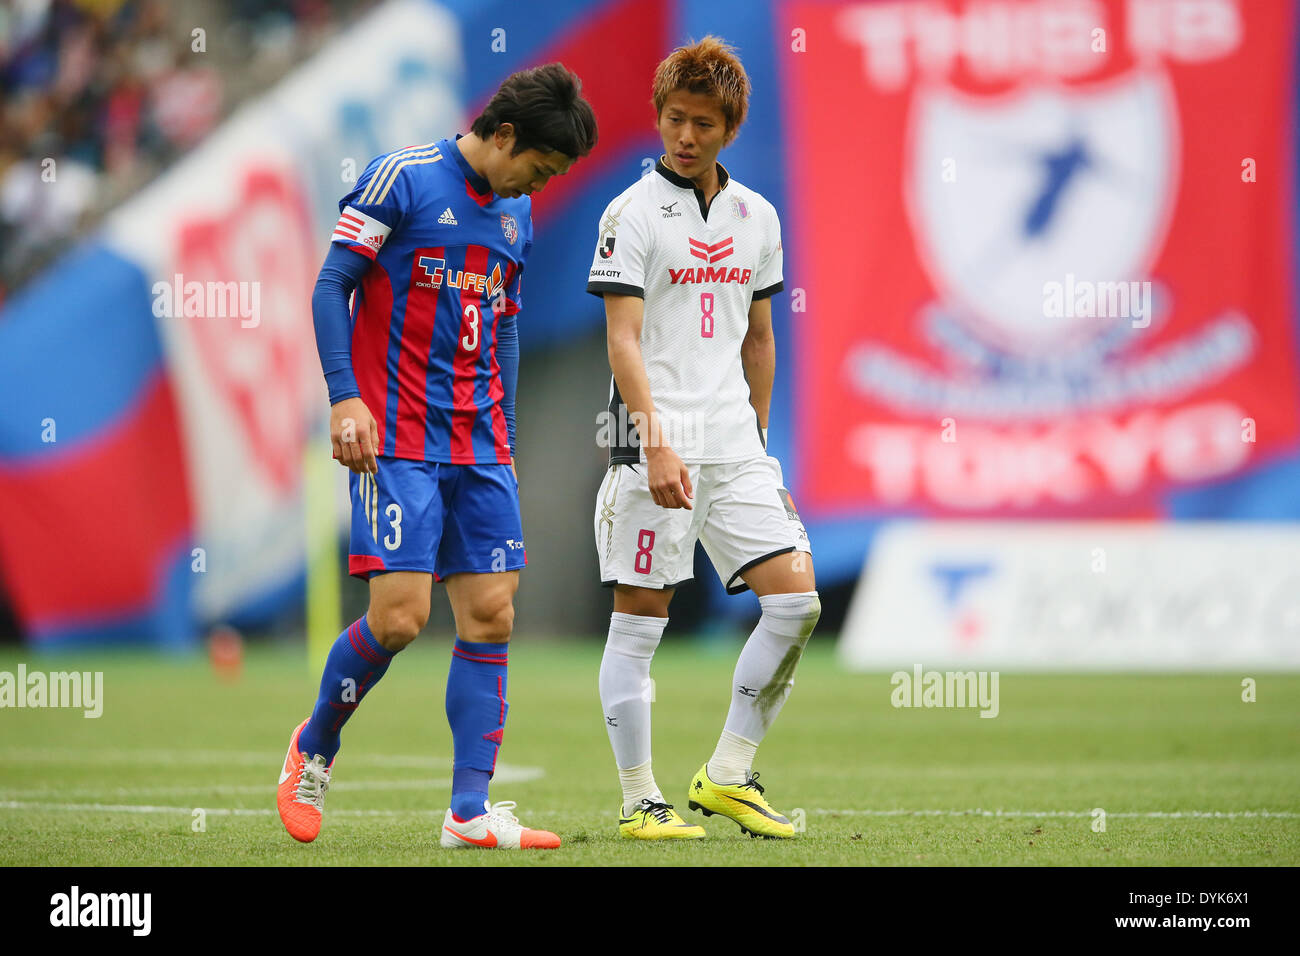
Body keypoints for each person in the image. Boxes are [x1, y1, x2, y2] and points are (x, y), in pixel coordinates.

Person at [279, 63, 597, 851]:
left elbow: (508, 326)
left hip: (481, 443)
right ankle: (314, 745)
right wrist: (343, 395)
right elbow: (331, 286)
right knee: (399, 620)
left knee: (492, 612)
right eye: (541, 167)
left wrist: (509, 440)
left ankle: (468, 811)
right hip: (398, 439)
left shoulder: (516, 217)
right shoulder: (403, 180)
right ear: (506, 135)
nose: (541, 184)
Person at [587, 37, 819, 840]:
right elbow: (623, 340)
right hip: (653, 444)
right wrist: (652, 443)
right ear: (658, 118)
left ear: (731, 128)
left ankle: (726, 773)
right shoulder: (630, 213)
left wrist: (761, 443)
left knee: (797, 604)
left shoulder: (759, 216)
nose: (686, 136)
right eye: (675, 120)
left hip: (734, 443)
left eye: (704, 124)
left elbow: (760, 337)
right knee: (640, 625)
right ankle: (638, 800)